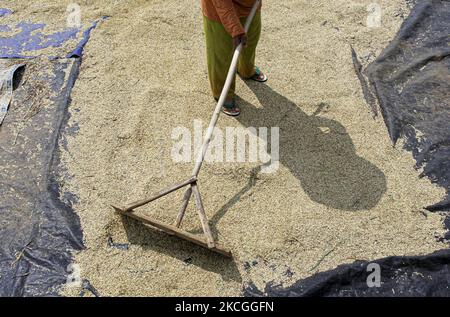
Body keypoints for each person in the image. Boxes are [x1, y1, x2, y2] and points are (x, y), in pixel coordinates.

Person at [201, 0, 268, 116]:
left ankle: (246, 70)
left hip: (250, 6)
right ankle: (223, 93)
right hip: (219, 9)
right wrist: (235, 29)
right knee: (221, 53)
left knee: (250, 42)